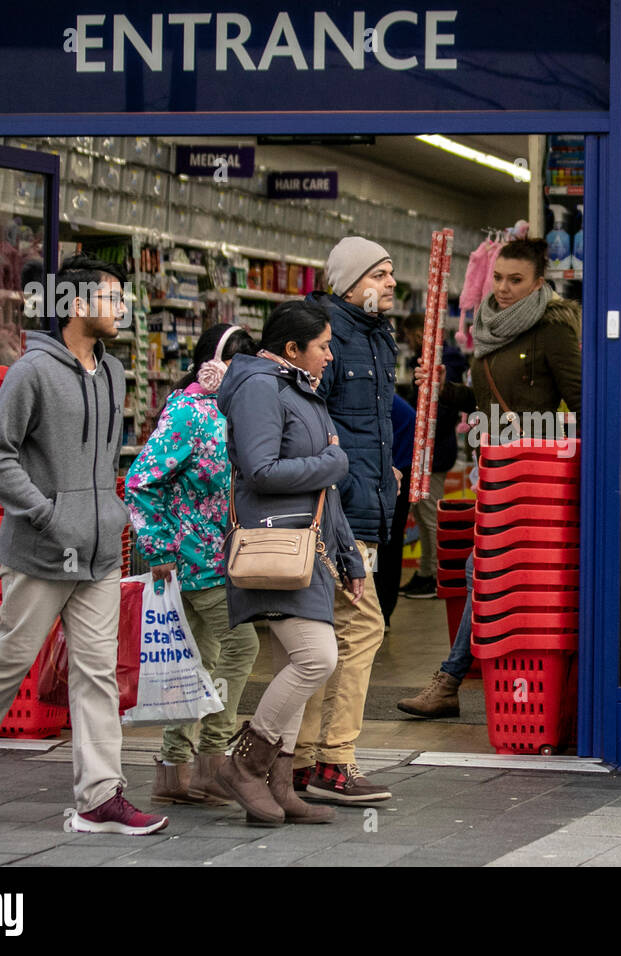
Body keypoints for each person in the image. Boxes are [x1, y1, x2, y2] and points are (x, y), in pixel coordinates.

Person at [0, 255, 168, 834]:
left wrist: (113, 515)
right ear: (78, 305)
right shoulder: (30, 371)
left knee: (97, 671)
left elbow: (105, 456)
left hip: (101, 550)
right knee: (10, 661)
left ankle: (99, 795)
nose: (120, 309)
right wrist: (45, 513)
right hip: (42, 548)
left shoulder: (112, 371)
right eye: (111, 298)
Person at [398, 237, 581, 719]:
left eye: (515, 280)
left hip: (534, 479)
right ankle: (471, 677)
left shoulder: (552, 329)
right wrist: (444, 389)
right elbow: (485, 401)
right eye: (498, 277)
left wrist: (554, 447)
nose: (502, 288)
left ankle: (451, 679)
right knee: (480, 572)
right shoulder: (490, 327)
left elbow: (582, 401)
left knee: (482, 571)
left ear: (539, 282)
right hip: (493, 470)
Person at [215, 300, 365, 826]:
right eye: (322, 346)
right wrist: (334, 459)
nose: (329, 355)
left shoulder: (300, 389)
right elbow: (259, 469)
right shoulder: (261, 387)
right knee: (315, 659)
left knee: (292, 666)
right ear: (292, 349)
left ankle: (280, 786)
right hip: (276, 546)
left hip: (311, 550)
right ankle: (242, 765)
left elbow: (326, 495)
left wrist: (350, 558)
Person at [125, 322, 262, 806]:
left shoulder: (231, 412)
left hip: (221, 559)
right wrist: (159, 548)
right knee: (242, 644)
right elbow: (140, 480)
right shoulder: (188, 412)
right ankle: (212, 759)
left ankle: (173, 769)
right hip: (193, 561)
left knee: (199, 660)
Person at [287, 237, 400, 804]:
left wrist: (388, 473)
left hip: (361, 506)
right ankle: (333, 760)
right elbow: (313, 421)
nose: (391, 283)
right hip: (337, 510)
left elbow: (372, 423)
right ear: (351, 283)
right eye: (380, 274)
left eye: (390, 273)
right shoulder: (328, 338)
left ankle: (303, 759)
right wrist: (346, 485)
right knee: (360, 628)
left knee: (329, 633)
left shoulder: (379, 339)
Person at [398, 314, 462, 599]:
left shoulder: (445, 363)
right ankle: (426, 572)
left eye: (412, 334)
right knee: (424, 515)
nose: (409, 341)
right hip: (428, 450)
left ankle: (437, 576)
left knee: (430, 515)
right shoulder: (433, 362)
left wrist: (424, 432)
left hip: (433, 452)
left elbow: (445, 408)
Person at [376, 393, 415, 626]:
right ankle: (382, 610)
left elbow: (409, 419)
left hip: (392, 474)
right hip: (393, 470)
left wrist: (392, 464)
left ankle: (381, 609)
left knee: (381, 545)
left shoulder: (377, 394)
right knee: (385, 545)